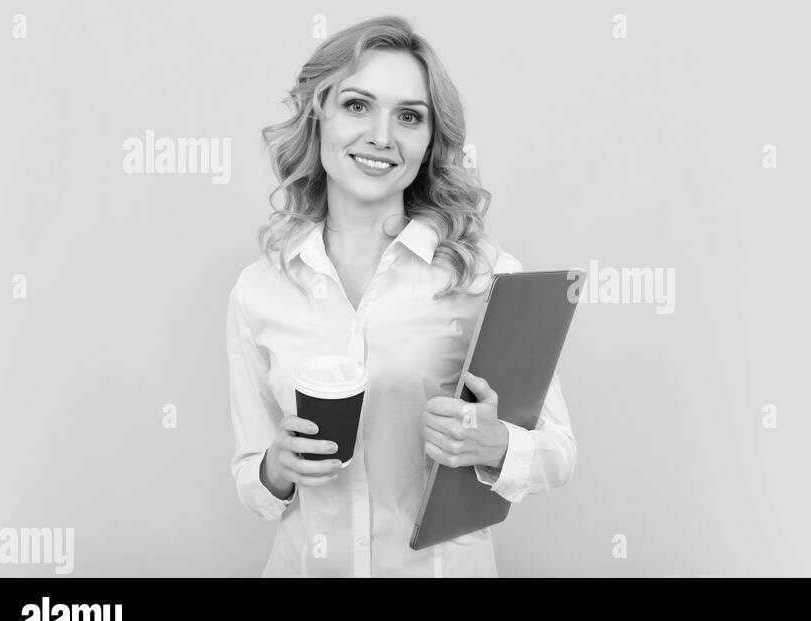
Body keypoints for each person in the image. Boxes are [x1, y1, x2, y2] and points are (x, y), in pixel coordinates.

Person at [225, 15, 577, 577]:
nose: (382, 136)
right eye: (357, 105)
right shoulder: (260, 290)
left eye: (409, 116)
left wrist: (494, 446)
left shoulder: (483, 275)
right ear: (319, 116)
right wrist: (276, 467)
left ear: (431, 140)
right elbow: (252, 478)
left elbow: (559, 453)